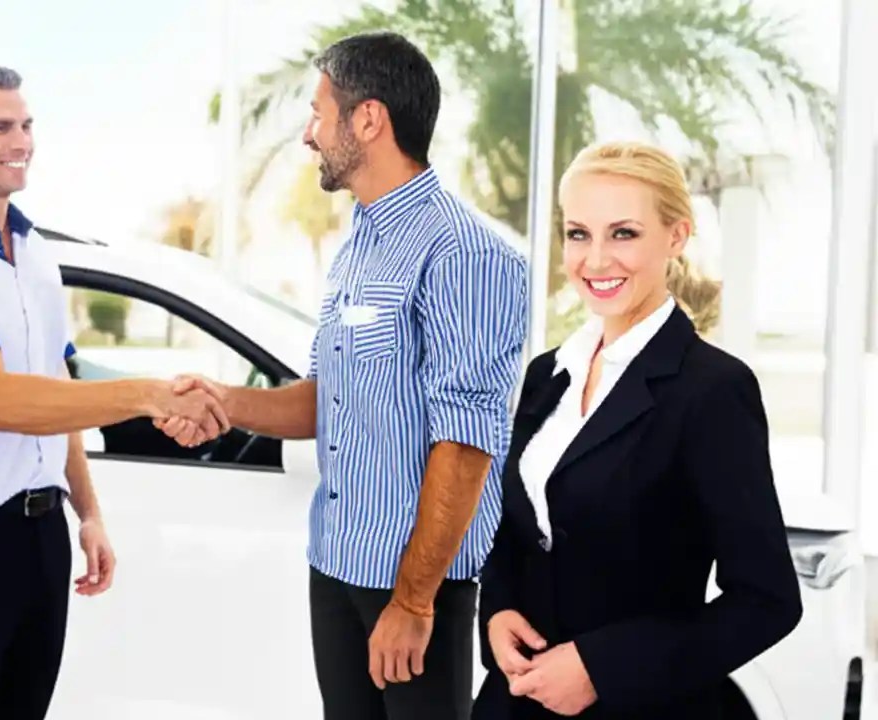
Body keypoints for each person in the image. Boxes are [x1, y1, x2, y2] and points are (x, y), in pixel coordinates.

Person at [158, 32, 529, 719]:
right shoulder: (361, 237)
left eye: (318, 113)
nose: (309, 134)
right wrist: (222, 401)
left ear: (368, 120)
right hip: (336, 567)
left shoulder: (466, 254)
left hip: (414, 590)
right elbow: (329, 400)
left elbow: (469, 442)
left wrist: (415, 601)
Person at [0, 62, 229, 720]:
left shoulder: (35, 250)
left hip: (42, 539)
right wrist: (148, 395)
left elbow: (55, 384)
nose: (21, 141)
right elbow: (0, 403)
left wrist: (88, 511)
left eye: (26, 124)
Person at [471, 141, 803, 720]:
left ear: (676, 236)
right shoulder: (549, 374)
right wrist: (496, 613)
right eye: (578, 234)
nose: (596, 260)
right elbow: (517, 526)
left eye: (623, 233)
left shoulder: (712, 390)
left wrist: (602, 668)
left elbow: (768, 601)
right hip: (516, 701)